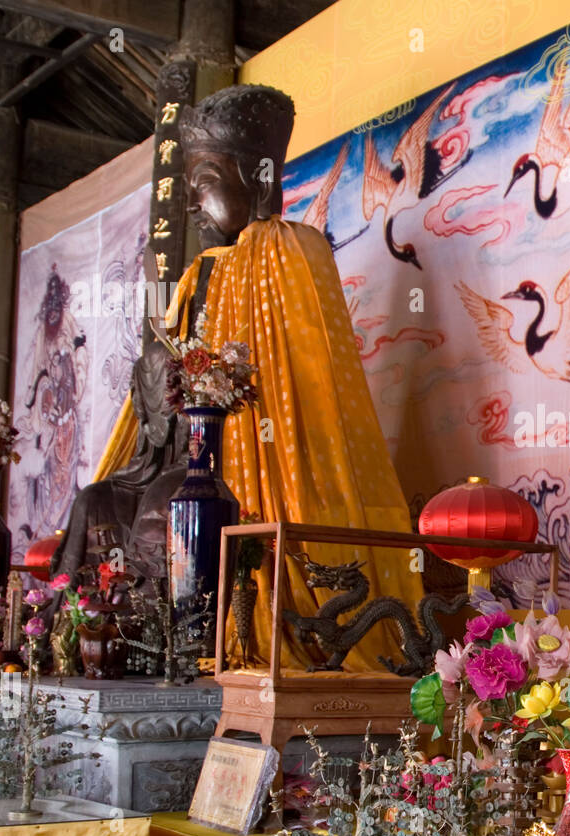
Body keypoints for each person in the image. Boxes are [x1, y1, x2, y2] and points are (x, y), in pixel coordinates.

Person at [90, 84, 418, 670]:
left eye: (206, 183)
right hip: (179, 451)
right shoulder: (197, 275)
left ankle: (184, 643)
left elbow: (305, 391)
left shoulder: (293, 253)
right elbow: (163, 391)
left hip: (252, 463)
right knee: (96, 502)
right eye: (187, 189)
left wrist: (211, 401)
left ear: (260, 180)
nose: (193, 205)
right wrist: (158, 392)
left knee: (168, 508)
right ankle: (91, 635)